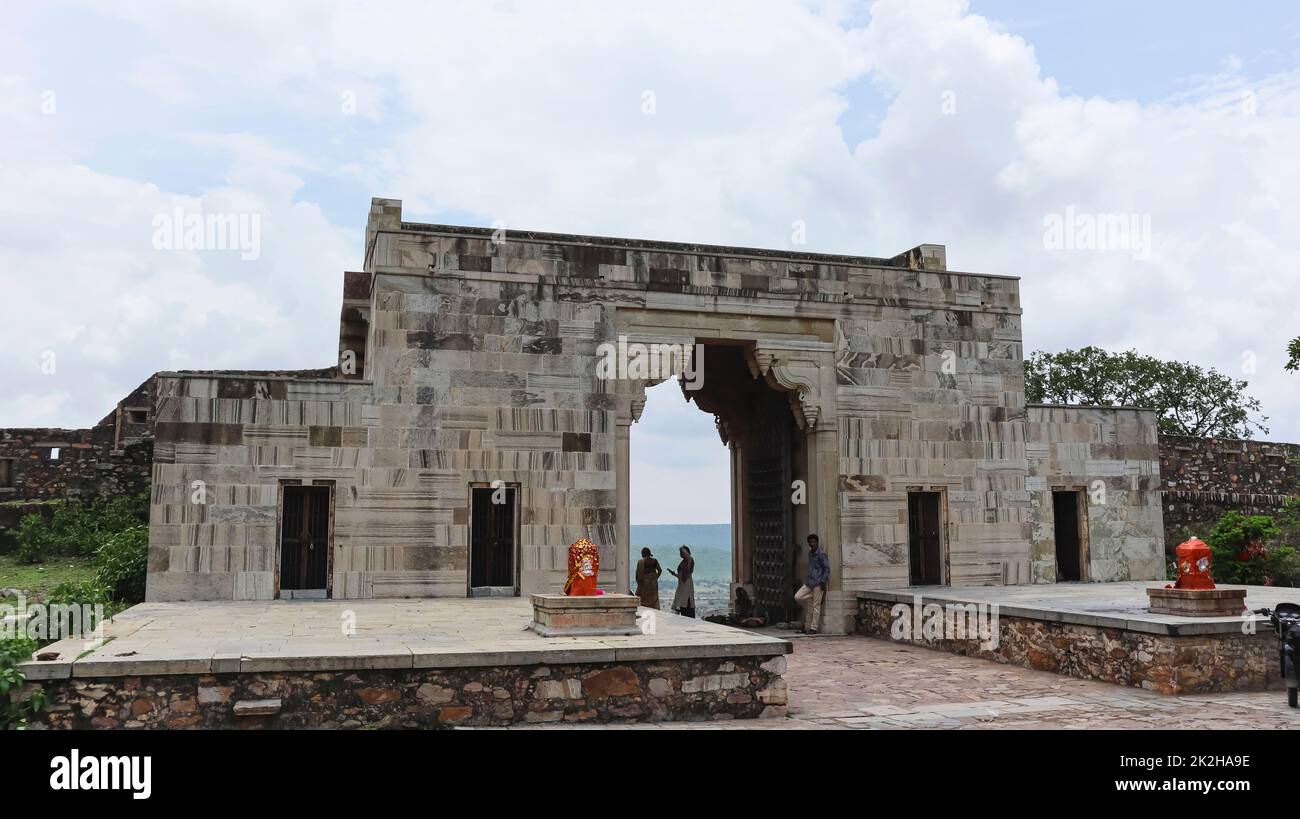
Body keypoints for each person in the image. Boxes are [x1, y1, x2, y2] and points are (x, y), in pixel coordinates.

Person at [794, 533, 829, 634]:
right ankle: (812, 597)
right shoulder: (810, 553)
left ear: (817, 542)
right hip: (810, 583)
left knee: (816, 607)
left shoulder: (821, 554)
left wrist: (822, 582)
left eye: (814, 542)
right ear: (808, 543)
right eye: (811, 542)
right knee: (797, 597)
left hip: (818, 583)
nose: (812, 543)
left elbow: (826, 569)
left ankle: (813, 628)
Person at [667, 545, 695, 618]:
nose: (680, 553)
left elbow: (688, 556)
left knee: (686, 601)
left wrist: (682, 548)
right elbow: (681, 576)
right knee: (682, 602)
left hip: (687, 584)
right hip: (682, 584)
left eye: (681, 552)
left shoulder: (689, 560)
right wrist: (674, 574)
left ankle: (689, 618)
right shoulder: (683, 562)